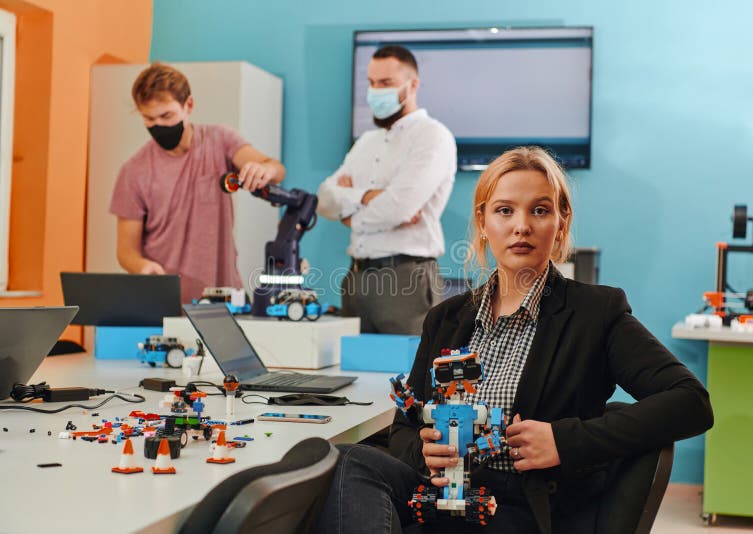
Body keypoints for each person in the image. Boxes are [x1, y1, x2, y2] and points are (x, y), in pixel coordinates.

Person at [312, 147, 713, 534]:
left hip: (521, 509)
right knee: (345, 461)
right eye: (505, 210)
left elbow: (690, 401)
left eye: (540, 210)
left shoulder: (595, 313)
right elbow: (406, 425)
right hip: (442, 495)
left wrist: (564, 441)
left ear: (561, 222)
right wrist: (423, 450)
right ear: (483, 222)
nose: (522, 226)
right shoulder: (446, 319)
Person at [110, 63, 286, 303]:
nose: (158, 126)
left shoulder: (220, 140)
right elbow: (126, 251)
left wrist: (264, 169)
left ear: (189, 105)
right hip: (166, 304)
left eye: (167, 116)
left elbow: (276, 170)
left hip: (224, 298)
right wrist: (141, 266)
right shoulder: (134, 171)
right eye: (149, 118)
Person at [316, 45, 456, 335]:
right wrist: (366, 197)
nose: (375, 91)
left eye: (385, 83)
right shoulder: (365, 142)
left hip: (405, 281)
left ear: (412, 85)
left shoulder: (433, 136)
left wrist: (350, 216)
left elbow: (398, 207)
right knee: (353, 363)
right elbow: (325, 199)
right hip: (355, 278)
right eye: (371, 83)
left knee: (410, 365)